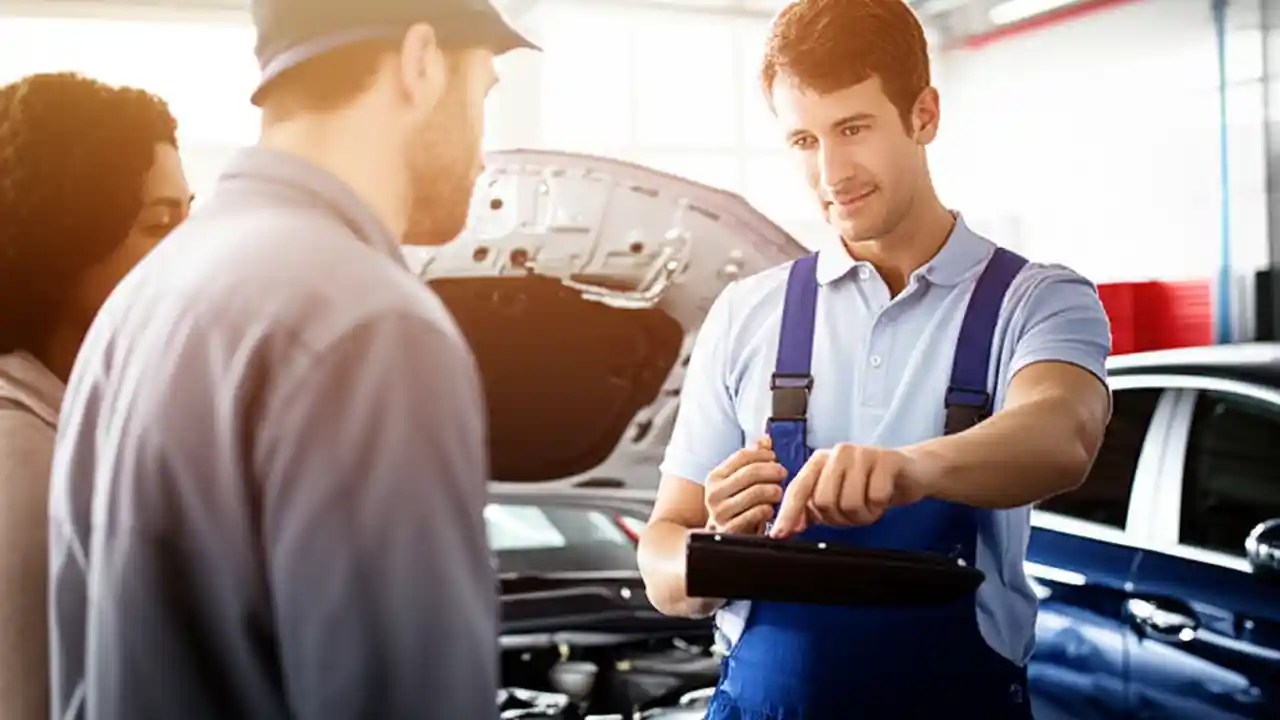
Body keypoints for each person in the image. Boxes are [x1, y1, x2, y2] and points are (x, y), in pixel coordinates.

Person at [47, 2, 537, 719]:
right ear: (421, 61)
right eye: (483, 94)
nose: (483, 150)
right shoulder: (372, 325)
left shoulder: (145, 296)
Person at [637, 1, 1112, 717]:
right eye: (803, 138)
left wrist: (912, 470)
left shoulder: (1038, 299)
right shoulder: (746, 314)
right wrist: (716, 547)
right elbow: (661, 561)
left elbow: (1062, 433)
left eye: (853, 129)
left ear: (923, 116)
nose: (830, 171)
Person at [0, 72, 190, 720]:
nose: (191, 252)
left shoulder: (72, 418)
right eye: (160, 225)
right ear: (68, 239)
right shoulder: (22, 460)